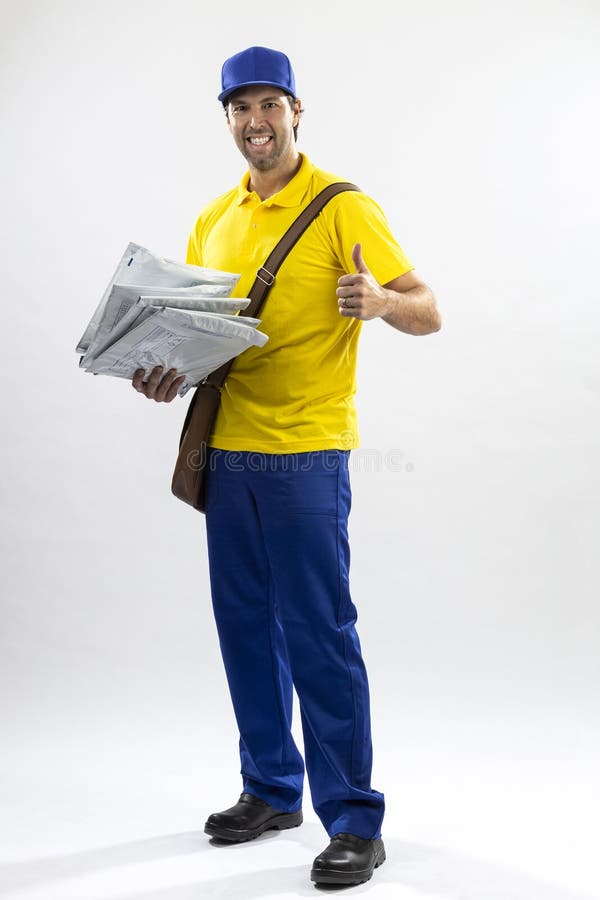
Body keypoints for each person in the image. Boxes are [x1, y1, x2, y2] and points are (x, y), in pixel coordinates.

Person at [132, 45, 441, 887]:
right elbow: (204, 338)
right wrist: (166, 369)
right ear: (227, 118)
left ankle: (354, 821)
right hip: (228, 453)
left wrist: (379, 303)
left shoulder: (344, 207)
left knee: (318, 632)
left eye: (270, 105)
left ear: (297, 110)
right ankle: (271, 787)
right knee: (245, 629)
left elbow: (429, 308)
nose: (256, 123)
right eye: (240, 109)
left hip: (306, 454)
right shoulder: (213, 218)